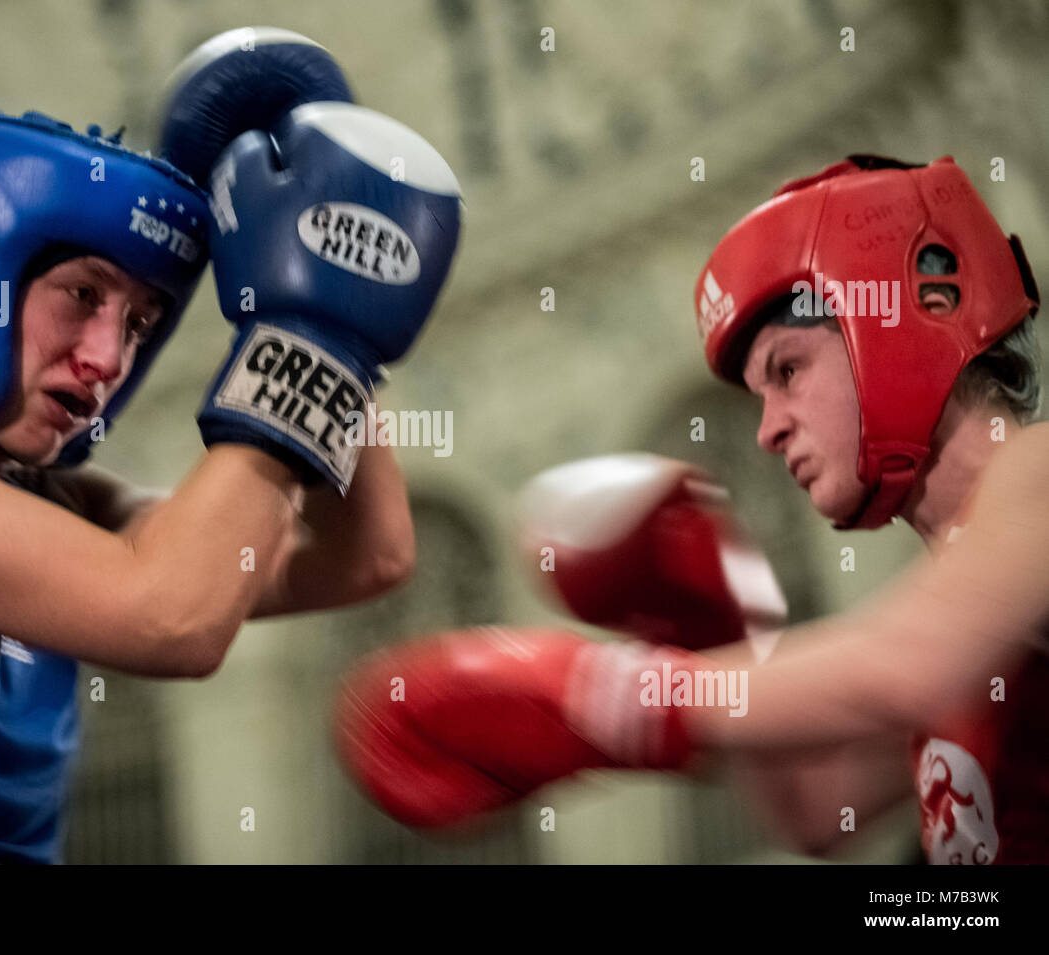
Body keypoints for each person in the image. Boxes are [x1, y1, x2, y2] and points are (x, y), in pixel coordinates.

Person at [0, 27, 462, 863]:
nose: (108, 359)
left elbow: (365, 555)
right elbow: (168, 617)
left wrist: (331, 284)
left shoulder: (66, 506)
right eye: (82, 294)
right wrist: (306, 336)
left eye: (140, 324)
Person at [332, 154, 1048, 865]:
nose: (768, 428)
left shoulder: (1038, 469)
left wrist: (605, 694)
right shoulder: (978, 633)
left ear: (906, 316)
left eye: (788, 371)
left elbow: (907, 665)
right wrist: (711, 632)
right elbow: (821, 814)